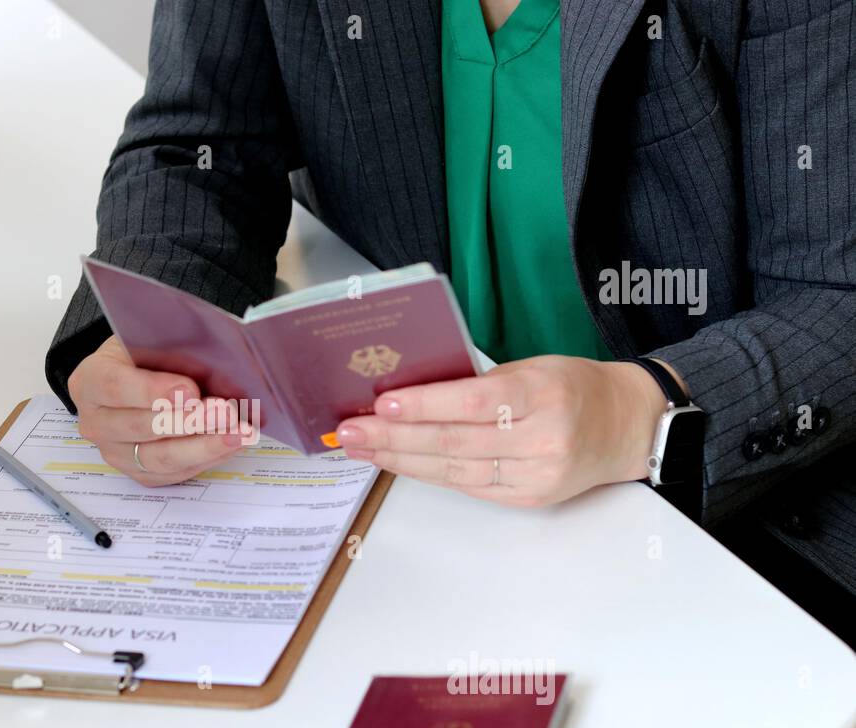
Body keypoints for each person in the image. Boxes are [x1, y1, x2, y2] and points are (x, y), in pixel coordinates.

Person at [45, 0, 856, 619]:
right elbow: (204, 140)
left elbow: (835, 294)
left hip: (737, 531)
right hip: (414, 521)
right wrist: (146, 334)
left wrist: (643, 413)